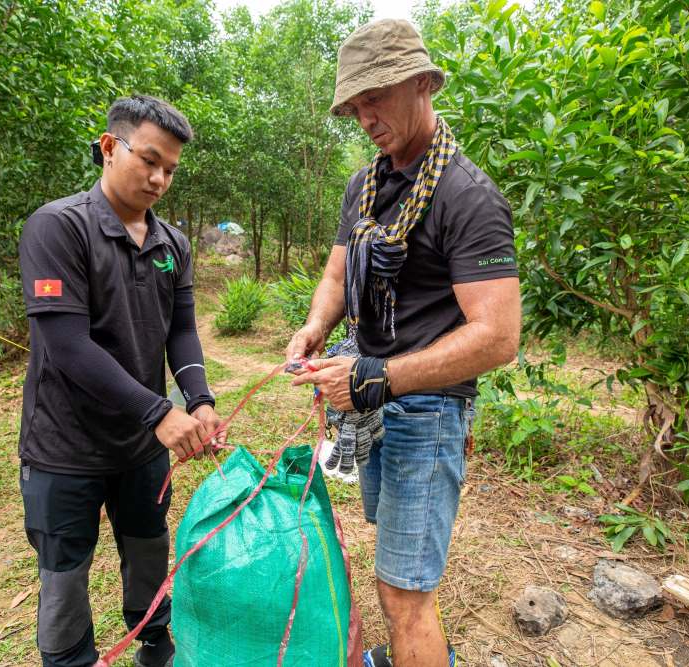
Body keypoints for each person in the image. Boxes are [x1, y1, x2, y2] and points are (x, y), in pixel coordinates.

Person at [288, 19, 521, 667]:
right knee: (389, 550)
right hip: (368, 400)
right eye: (355, 106)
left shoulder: (468, 197)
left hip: (427, 412)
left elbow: (498, 336)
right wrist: (314, 327)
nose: (365, 116)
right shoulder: (364, 187)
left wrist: (379, 377)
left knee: (404, 589)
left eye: (376, 98)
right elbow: (337, 272)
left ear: (422, 83)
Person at [18, 95, 223, 667]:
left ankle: (154, 645)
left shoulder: (171, 244)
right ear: (110, 147)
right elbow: (68, 347)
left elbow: (180, 332)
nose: (159, 179)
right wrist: (160, 413)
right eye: (150, 161)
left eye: (171, 170)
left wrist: (199, 399)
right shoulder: (58, 228)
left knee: (148, 551)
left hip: (140, 450)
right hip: (65, 447)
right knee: (64, 580)